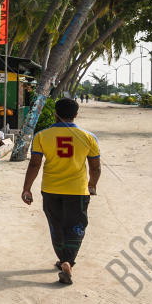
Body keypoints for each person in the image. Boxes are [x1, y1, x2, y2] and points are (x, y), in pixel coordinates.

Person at [20, 97, 100, 285]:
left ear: (55, 113)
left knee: (56, 225)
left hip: (51, 189)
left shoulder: (41, 136)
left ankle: (63, 259)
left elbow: (35, 163)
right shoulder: (88, 137)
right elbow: (95, 167)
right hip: (78, 191)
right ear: (76, 115)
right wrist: (92, 185)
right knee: (77, 226)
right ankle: (68, 261)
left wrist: (27, 188)